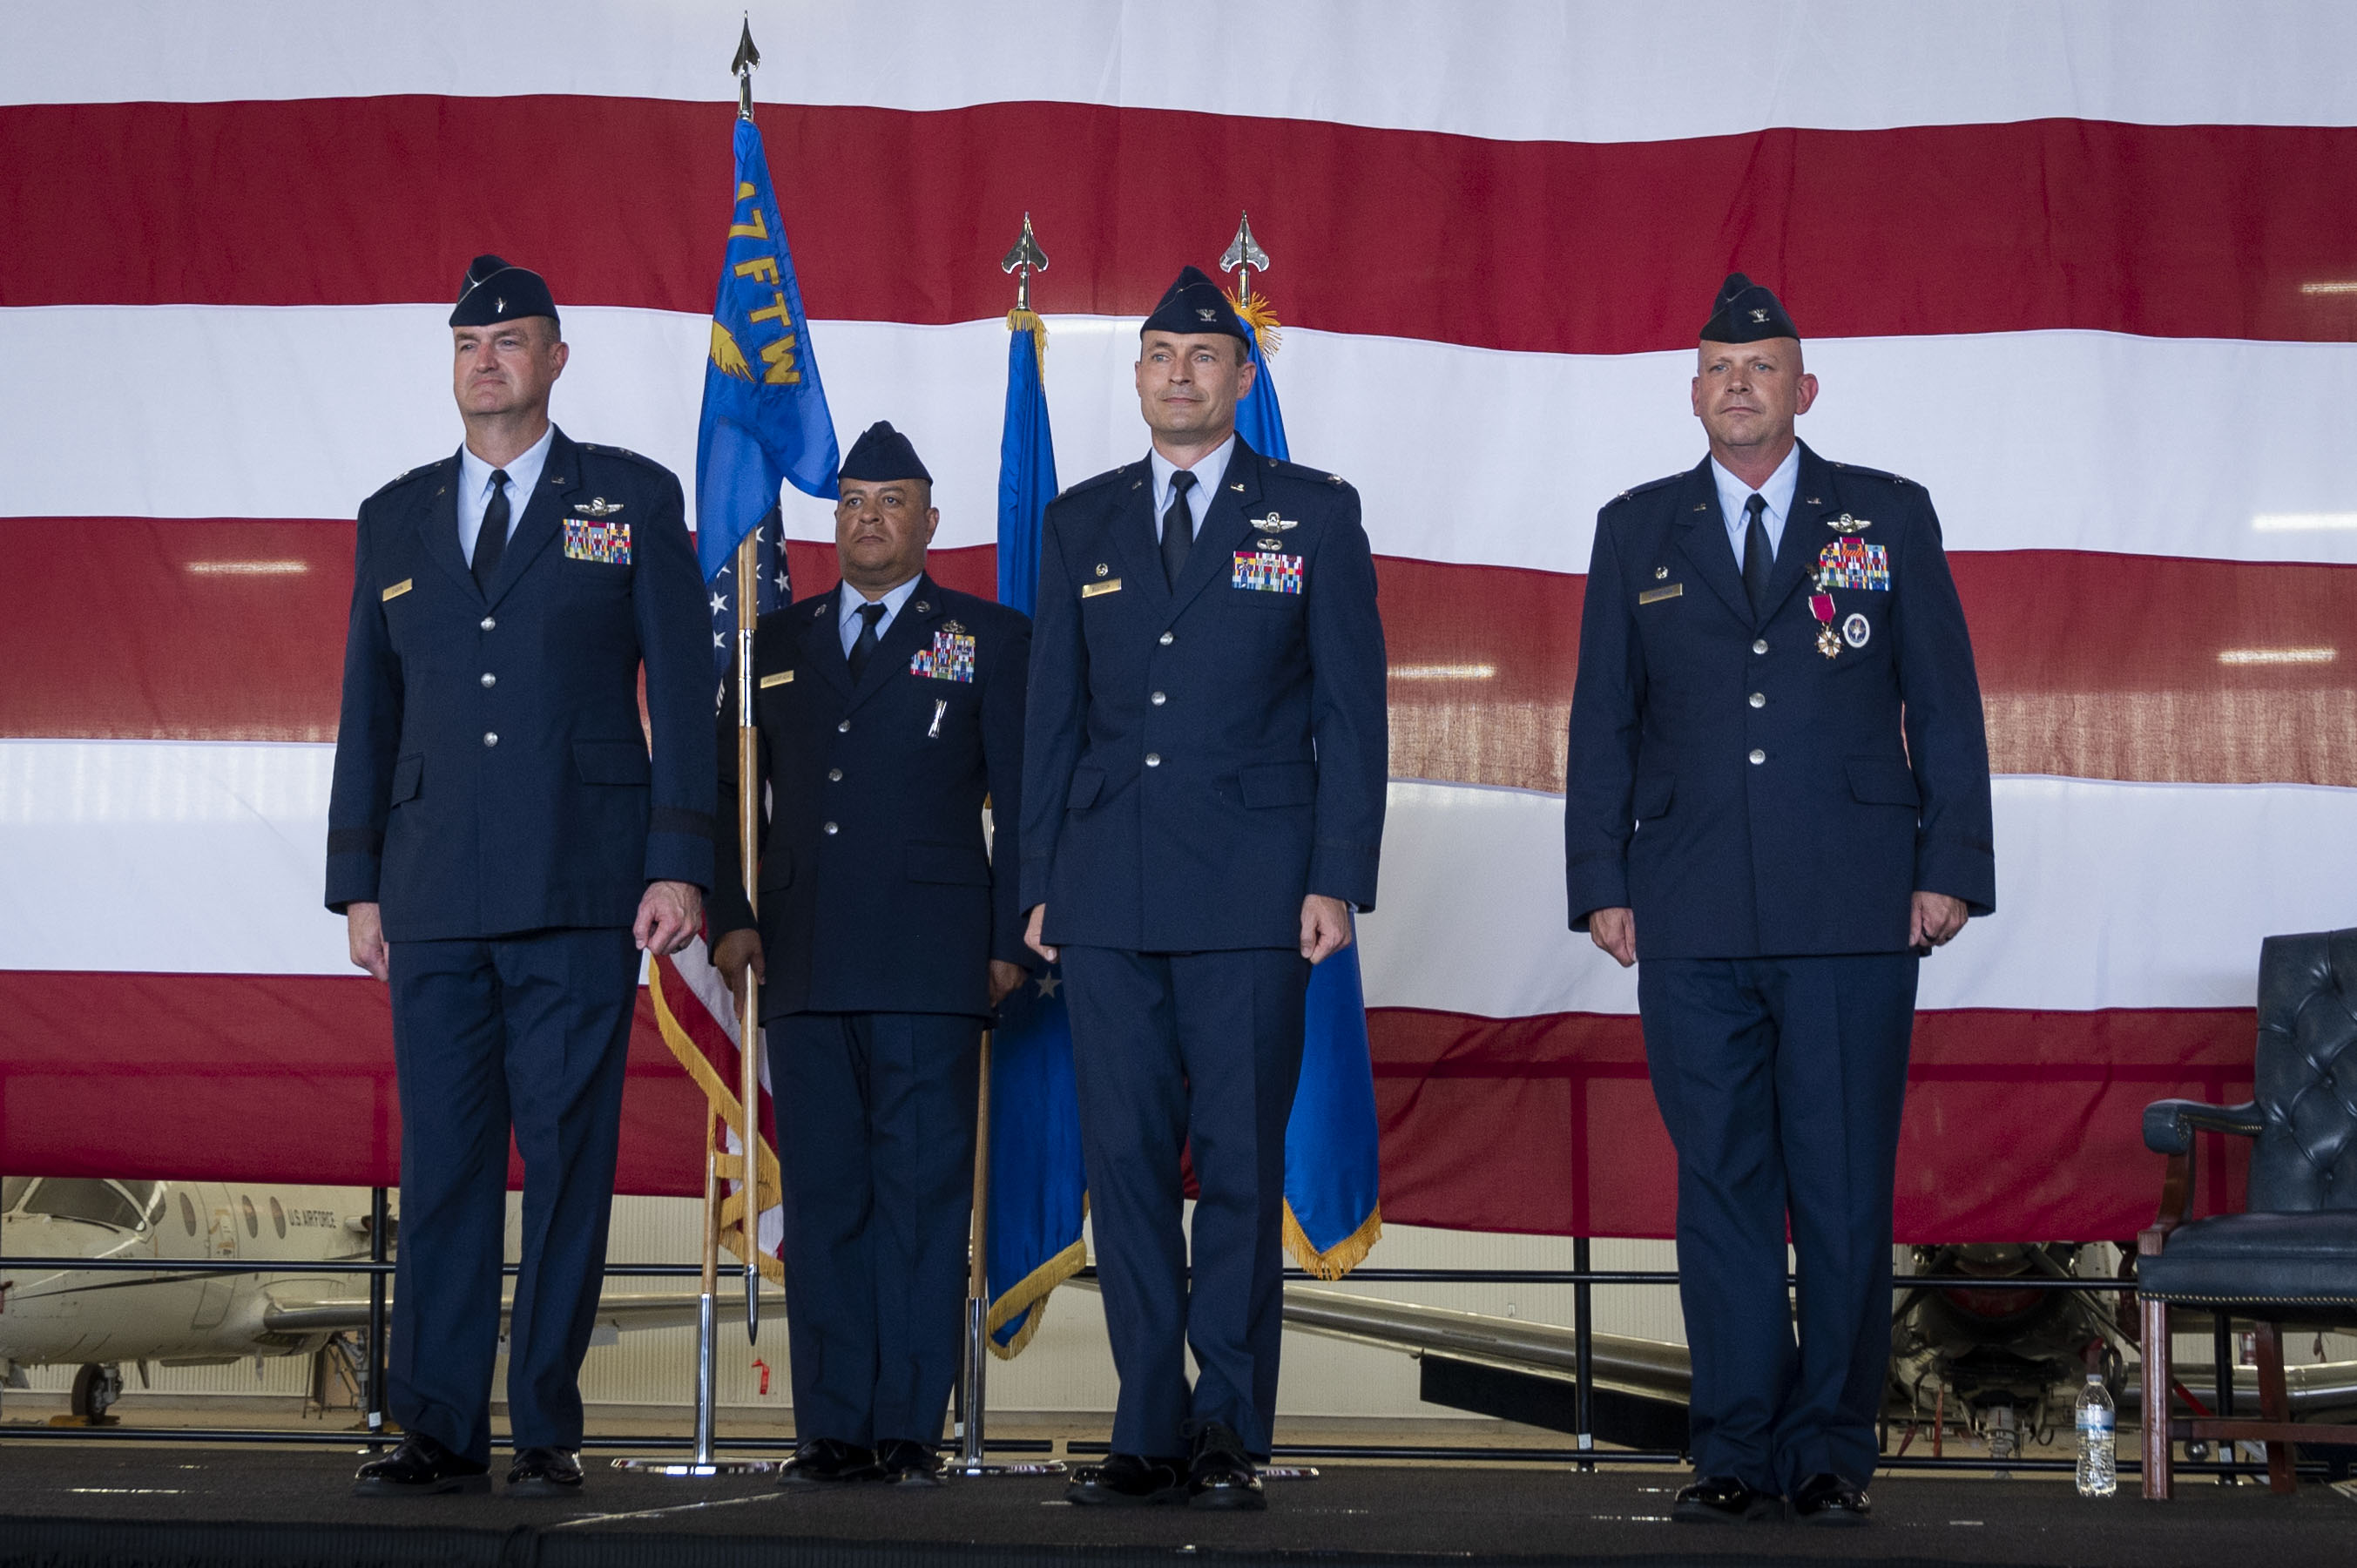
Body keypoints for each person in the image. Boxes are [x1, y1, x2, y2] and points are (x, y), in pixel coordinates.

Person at [1563, 274, 1996, 1525]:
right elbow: (1604, 718)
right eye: (1715, 368)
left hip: (1853, 901)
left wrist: (1948, 866)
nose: (1736, 385)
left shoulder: (1887, 515)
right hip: (1687, 903)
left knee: (1845, 1188)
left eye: (1759, 367)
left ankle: (1829, 1449)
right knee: (1722, 1187)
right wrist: (1602, 880)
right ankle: (1735, 1446)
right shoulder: (1634, 527)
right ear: (1692, 392)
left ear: (1803, 390)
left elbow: (1946, 701)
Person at [325, 255, 714, 1498]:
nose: (485, 359)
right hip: (433, 892)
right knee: (443, 1164)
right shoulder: (392, 515)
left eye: (510, 340)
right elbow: (366, 712)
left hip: (579, 878)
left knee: (565, 1160)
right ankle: (436, 1424)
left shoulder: (632, 498)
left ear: (557, 360)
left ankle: (545, 1419)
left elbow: (686, 692)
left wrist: (679, 862)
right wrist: (359, 884)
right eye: (466, 343)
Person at [1020, 266, 1388, 1511]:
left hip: (1252, 893)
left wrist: (1336, 877)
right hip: (1108, 893)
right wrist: (1036, 883)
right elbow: (1050, 721)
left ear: (1241, 377)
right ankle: (1145, 1427)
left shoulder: (1313, 515)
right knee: (1121, 1167)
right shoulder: (1080, 523)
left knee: (1236, 1166)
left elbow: (1351, 714)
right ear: (1135, 379)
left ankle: (1227, 1424)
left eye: (1202, 358)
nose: (1178, 376)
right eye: (1158, 358)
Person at [707, 421, 1033, 1488]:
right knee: (830, 1202)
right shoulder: (778, 640)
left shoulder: (988, 636)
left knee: (924, 1204)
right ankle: (832, 1427)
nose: (869, 519)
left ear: (932, 521)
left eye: (892, 501)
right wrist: (730, 914)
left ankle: (907, 1426)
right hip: (801, 960)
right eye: (851, 501)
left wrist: (1006, 945)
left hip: (937, 966)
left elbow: (1025, 807)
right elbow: (723, 791)